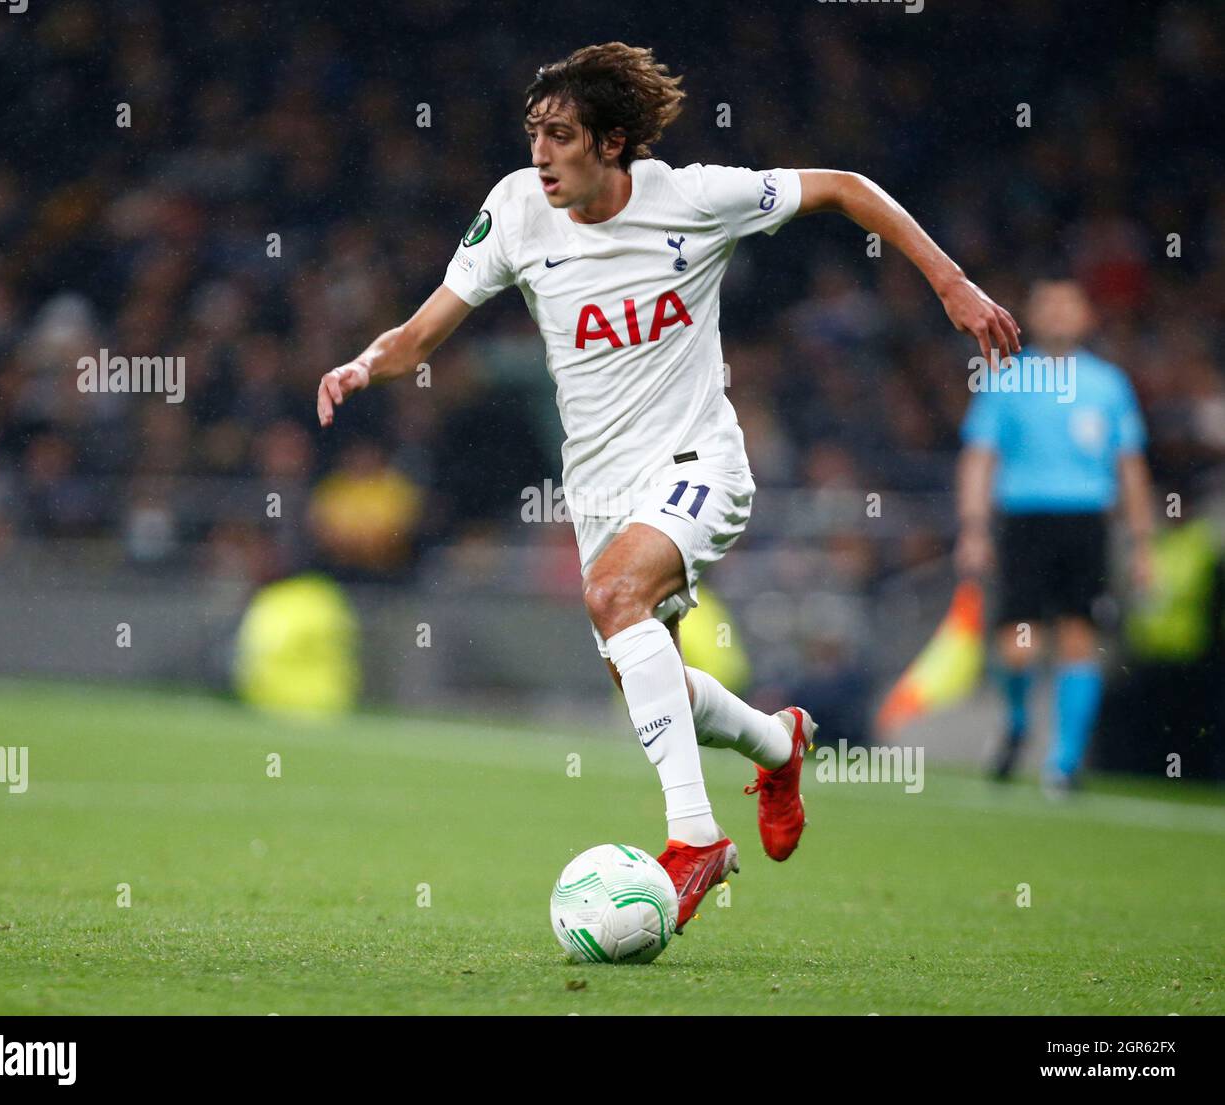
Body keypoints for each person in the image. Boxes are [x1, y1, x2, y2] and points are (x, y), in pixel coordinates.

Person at [318, 43, 1020, 928]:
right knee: (649, 681)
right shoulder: (515, 212)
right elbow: (419, 338)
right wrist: (360, 365)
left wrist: (951, 285)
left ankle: (693, 838)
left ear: (612, 143)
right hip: (600, 490)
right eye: (534, 133)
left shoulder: (693, 199)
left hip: (699, 466)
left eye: (560, 136)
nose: (540, 154)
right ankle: (779, 741)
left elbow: (843, 184)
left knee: (614, 597)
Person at [955, 278, 1154, 792]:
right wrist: (973, 528)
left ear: (1087, 316)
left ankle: (1063, 765)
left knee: (1078, 637)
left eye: (1070, 306)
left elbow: (1130, 467)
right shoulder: (1006, 380)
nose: (1060, 315)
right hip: (1024, 520)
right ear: (1032, 317)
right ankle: (1020, 720)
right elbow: (979, 457)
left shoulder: (1109, 385)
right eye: (1049, 306)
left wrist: (1143, 543)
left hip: (1086, 522)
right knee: (1017, 645)